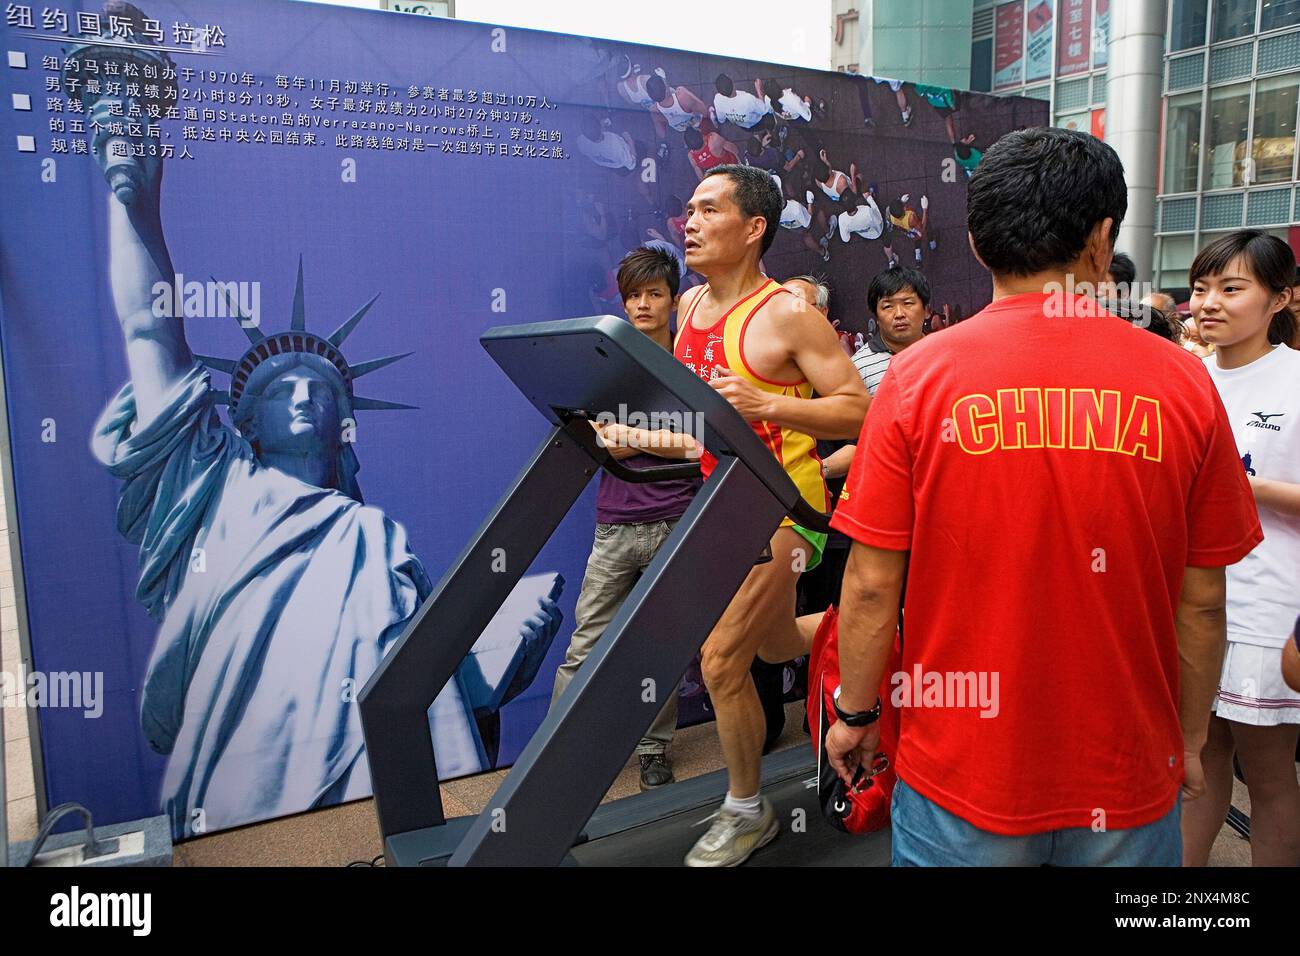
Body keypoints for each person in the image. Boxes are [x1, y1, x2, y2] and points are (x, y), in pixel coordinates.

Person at [84, 44, 562, 838]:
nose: (303, 396)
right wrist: (134, 196)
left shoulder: (371, 536)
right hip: (247, 752)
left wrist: (501, 638)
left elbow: (434, 683)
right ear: (245, 423)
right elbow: (146, 325)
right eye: (280, 390)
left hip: (388, 770)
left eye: (323, 390)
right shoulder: (216, 492)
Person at [825, 127, 1262, 867]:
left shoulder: (916, 378)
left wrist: (857, 714)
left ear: (974, 239)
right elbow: (1203, 600)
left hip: (960, 773)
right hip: (1126, 774)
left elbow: (870, 584)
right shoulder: (1184, 382)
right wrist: (1188, 742)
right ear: (1101, 238)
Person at [674, 165, 870, 865]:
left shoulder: (786, 313)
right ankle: (881, 631)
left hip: (787, 509)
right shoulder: (689, 307)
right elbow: (706, 424)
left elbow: (858, 408)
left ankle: (746, 811)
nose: (689, 222)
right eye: (688, 209)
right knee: (776, 643)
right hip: (723, 504)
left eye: (708, 209)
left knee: (721, 662)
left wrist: (772, 405)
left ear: (754, 228)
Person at [549, 246, 703, 791]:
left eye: (653, 293)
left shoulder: (692, 364)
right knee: (584, 644)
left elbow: (697, 447)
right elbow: (598, 444)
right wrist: (652, 443)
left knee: (659, 645)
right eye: (633, 295)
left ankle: (653, 749)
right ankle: (558, 754)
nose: (642, 305)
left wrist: (635, 438)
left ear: (672, 299)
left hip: (676, 520)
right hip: (613, 523)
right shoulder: (607, 367)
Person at [1180, 230, 1300, 867]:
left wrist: (1241, 485)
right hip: (1192, 602)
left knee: (1272, 777)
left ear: (1280, 298)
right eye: (1201, 288)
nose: (1209, 303)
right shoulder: (1184, 379)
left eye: (1231, 288)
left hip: (1270, 608)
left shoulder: (1296, 382)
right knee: (1196, 761)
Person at [820, 268, 930, 481]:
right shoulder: (858, 368)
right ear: (876, 316)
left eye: (908, 303)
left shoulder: (946, 354)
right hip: (889, 480)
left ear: (926, 310)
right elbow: (855, 442)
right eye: (887, 306)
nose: (899, 314)